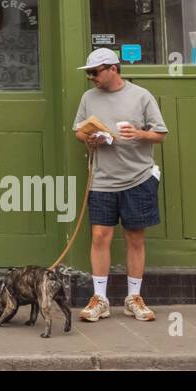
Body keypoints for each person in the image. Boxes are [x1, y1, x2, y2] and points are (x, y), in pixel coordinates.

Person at [72, 48, 168, 323]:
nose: (91, 78)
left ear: (113, 68)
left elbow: (160, 134)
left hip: (137, 178)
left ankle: (133, 298)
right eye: (89, 73)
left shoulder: (141, 95)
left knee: (134, 238)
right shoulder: (88, 98)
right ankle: (100, 299)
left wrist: (138, 133)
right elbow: (79, 131)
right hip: (102, 179)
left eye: (95, 72)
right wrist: (91, 138)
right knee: (100, 237)